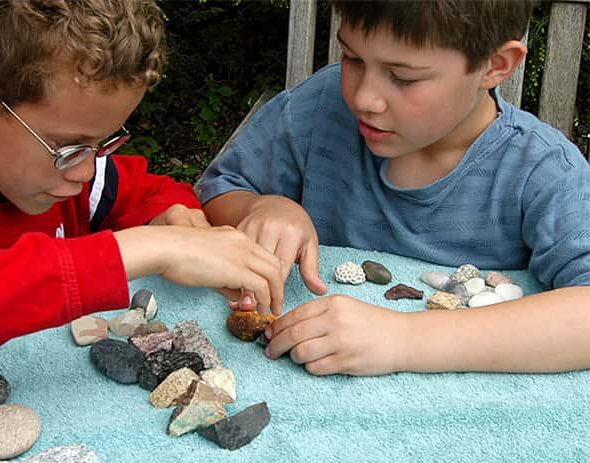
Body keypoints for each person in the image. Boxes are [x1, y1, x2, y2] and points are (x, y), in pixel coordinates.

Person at [0, 0, 282, 373]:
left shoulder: (61, 173)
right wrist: (139, 250)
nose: (84, 172)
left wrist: (173, 221)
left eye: (101, 144)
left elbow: (151, 192)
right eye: (67, 146)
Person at [199, 0, 590, 375]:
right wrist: (264, 207)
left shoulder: (542, 170)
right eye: (352, 58)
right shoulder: (319, 108)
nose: (364, 98)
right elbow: (222, 188)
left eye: (403, 77)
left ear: (495, 65)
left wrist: (402, 338)